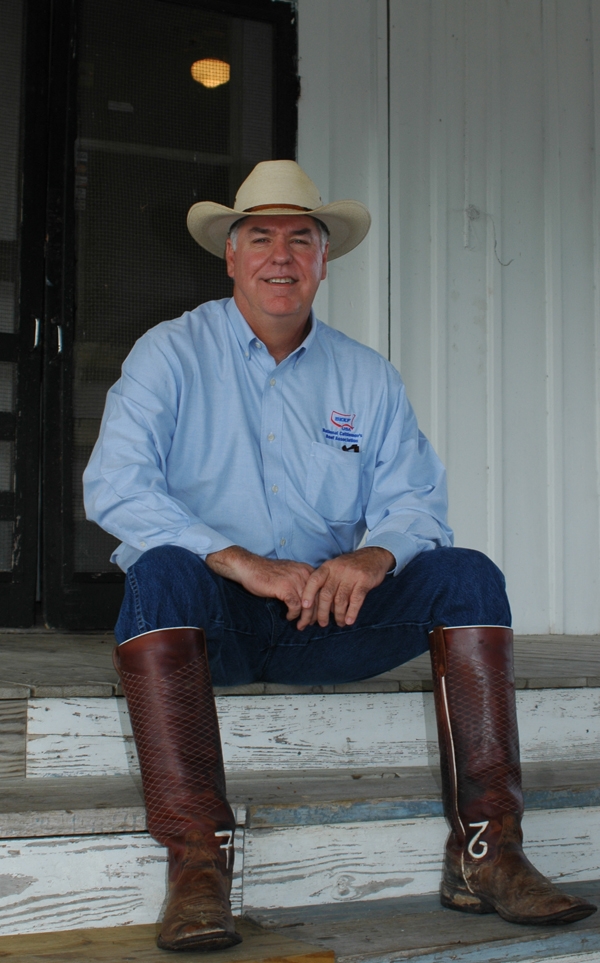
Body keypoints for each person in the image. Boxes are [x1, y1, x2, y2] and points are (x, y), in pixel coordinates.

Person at [83, 160, 596, 952]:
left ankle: (487, 852)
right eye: (261, 237)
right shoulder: (170, 354)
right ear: (231, 255)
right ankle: (196, 865)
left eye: (300, 239)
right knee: (158, 570)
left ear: (325, 258)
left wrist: (375, 557)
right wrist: (241, 562)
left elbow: (417, 500)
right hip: (209, 625)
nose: (280, 256)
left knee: (468, 575)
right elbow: (114, 487)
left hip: (332, 616)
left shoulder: (366, 375)